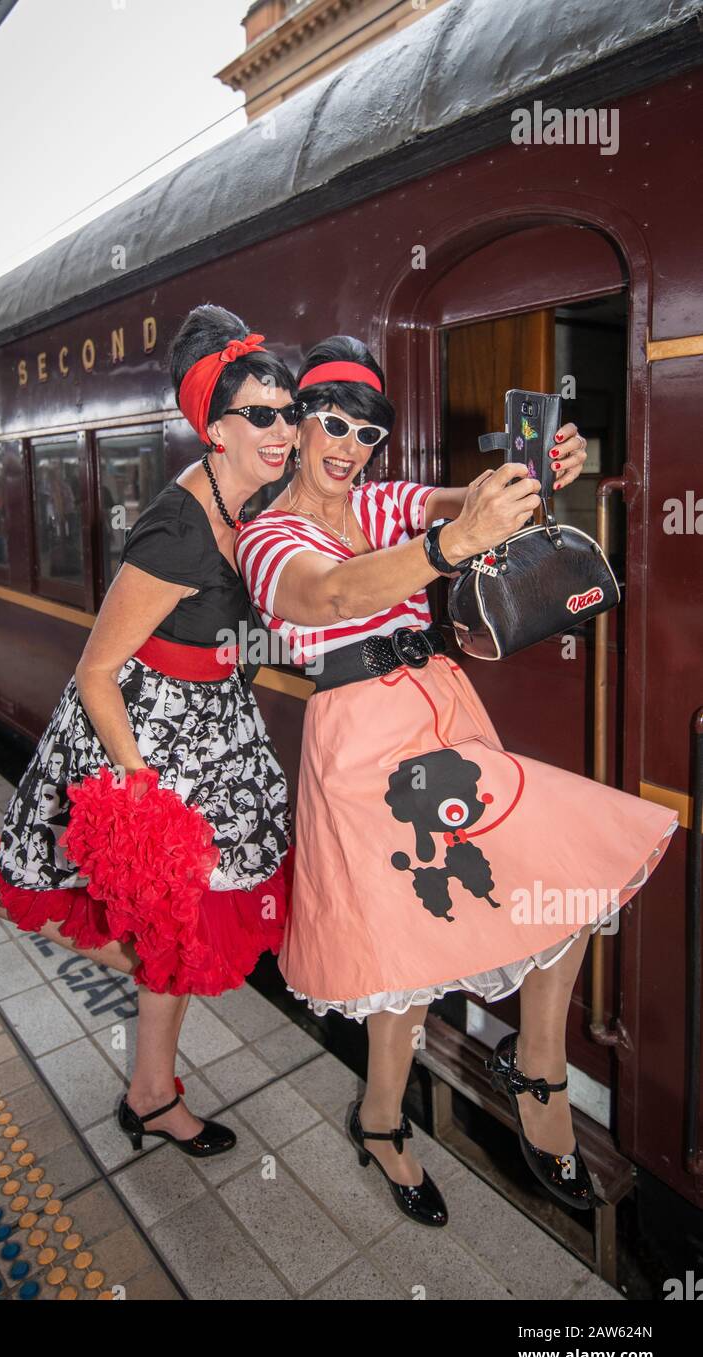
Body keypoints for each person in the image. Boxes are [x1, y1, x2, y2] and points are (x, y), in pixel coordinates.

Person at [235, 335, 679, 1225]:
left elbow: (464, 502)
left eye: (368, 432)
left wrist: (534, 471)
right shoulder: (266, 532)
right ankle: (380, 1121)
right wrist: (447, 547)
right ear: (297, 424)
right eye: (332, 423)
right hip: (363, 744)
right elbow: (329, 595)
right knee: (400, 957)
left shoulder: (387, 498)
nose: (349, 445)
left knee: (571, 869)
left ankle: (536, 1066)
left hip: (443, 707)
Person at [0, 304, 300, 1159]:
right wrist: (142, 789)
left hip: (214, 734)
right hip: (141, 741)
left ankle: (148, 1096)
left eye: (287, 412)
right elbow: (98, 671)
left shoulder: (257, 493)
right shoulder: (175, 528)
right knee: (160, 943)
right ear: (214, 426)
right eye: (260, 414)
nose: (281, 430)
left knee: (178, 935)